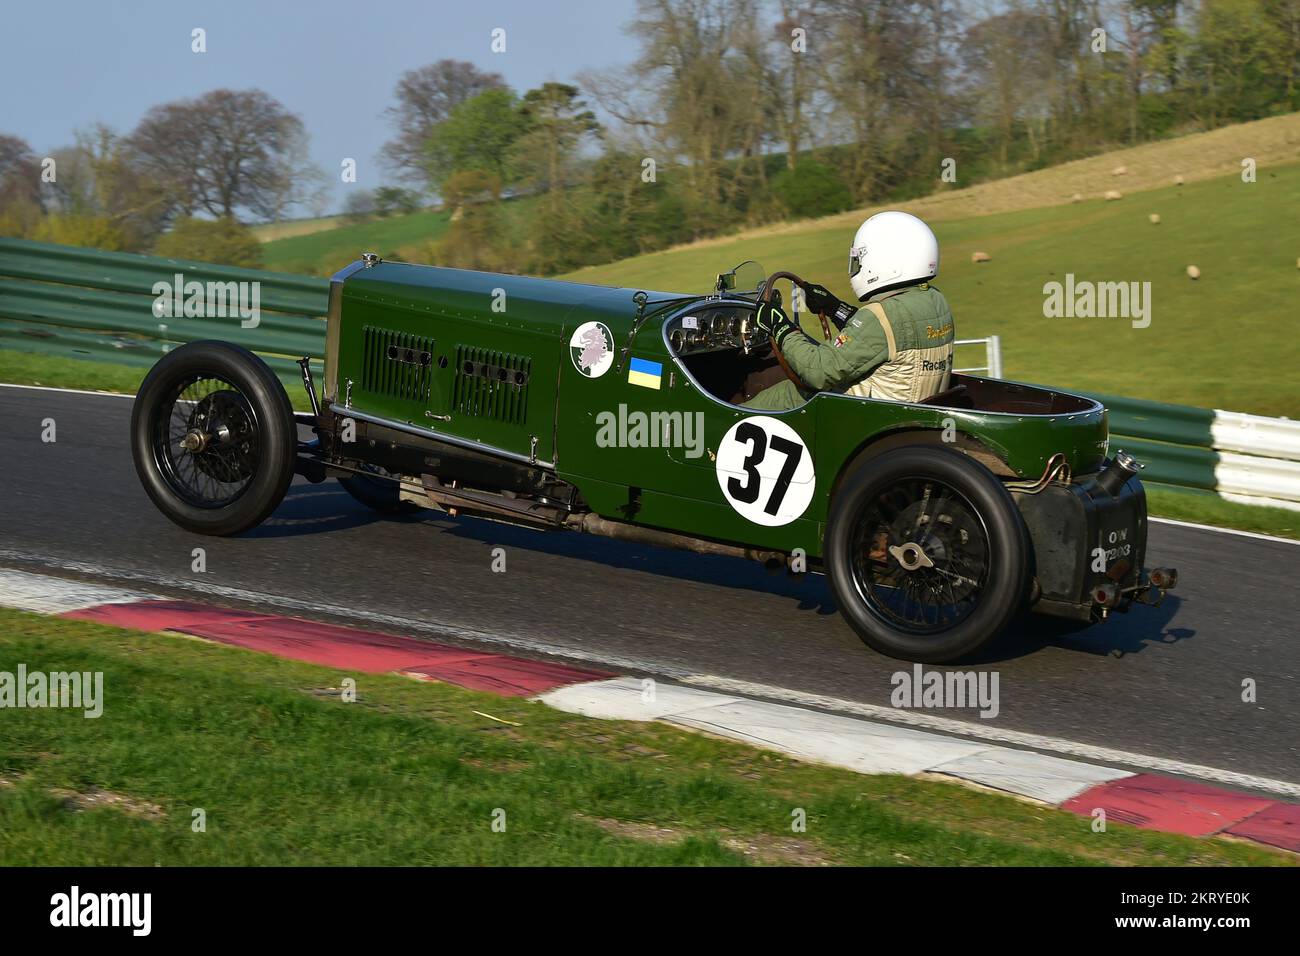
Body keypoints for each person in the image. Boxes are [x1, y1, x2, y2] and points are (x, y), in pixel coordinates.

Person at [744, 211, 956, 410]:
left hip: (861, 414)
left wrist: (780, 326)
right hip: (906, 406)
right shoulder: (934, 300)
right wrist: (835, 308)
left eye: (860, 259)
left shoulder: (882, 317)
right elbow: (883, 337)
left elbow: (817, 372)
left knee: (787, 394)